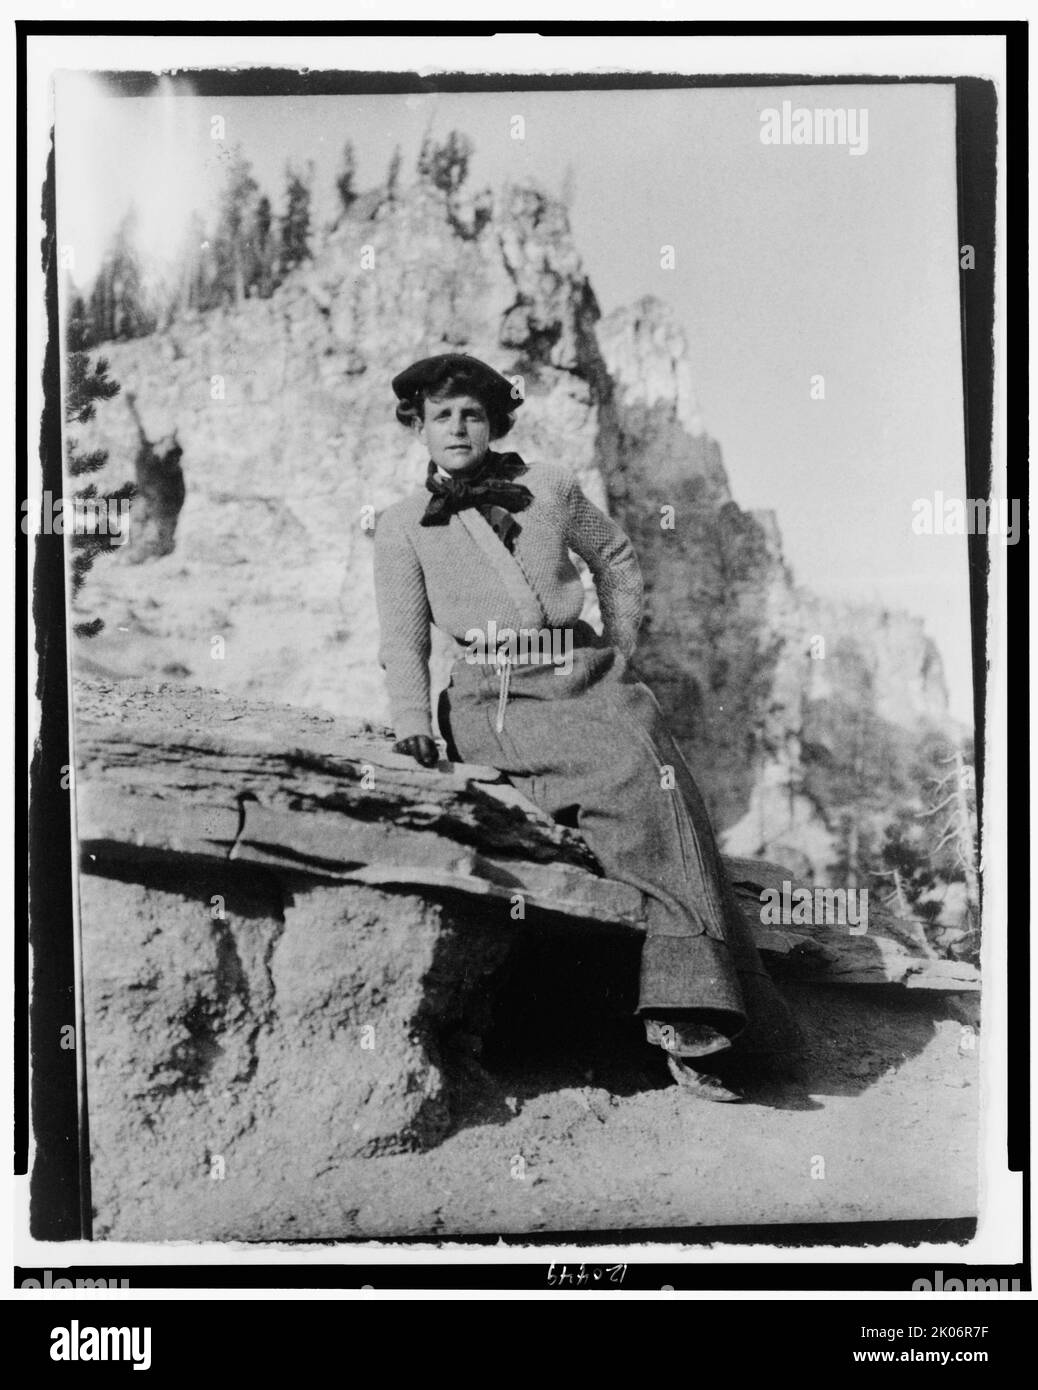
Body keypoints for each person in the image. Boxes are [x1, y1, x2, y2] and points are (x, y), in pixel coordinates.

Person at [374, 352, 800, 1101]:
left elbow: (614, 555)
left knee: (659, 770)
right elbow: (403, 641)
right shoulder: (403, 526)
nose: (457, 427)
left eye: (472, 412)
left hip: (586, 672)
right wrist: (412, 721)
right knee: (627, 773)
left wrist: (622, 649)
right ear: (419, 427)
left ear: (495, 420)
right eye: (441, 416)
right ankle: (683, 1008)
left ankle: (724, 1003)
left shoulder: (552, 486)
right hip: (496, 697)